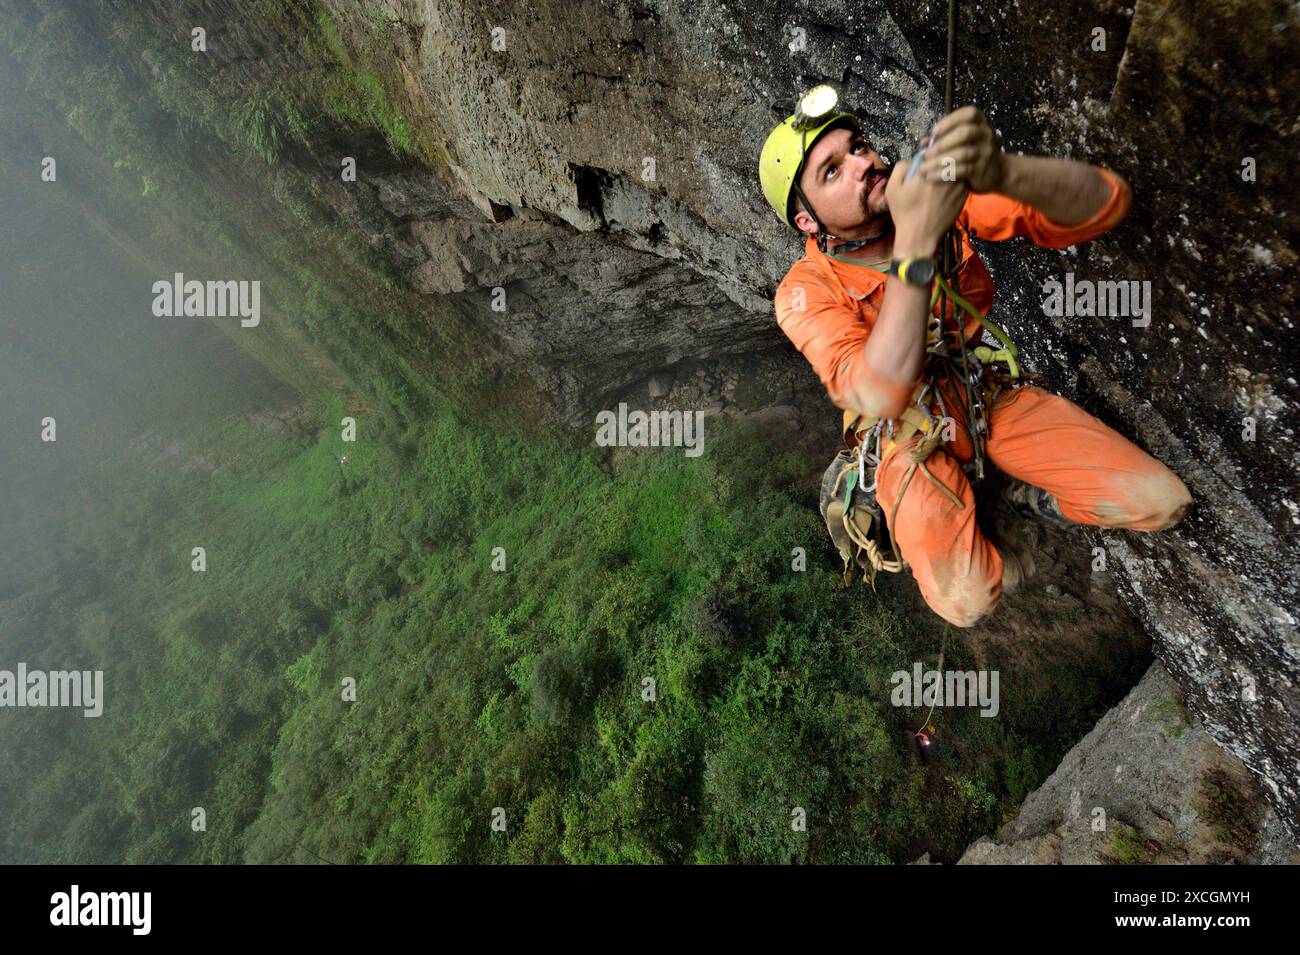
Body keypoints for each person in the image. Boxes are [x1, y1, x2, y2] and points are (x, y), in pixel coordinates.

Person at [758, 90, 1191, 627]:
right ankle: (965, 508)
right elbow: (876, 390)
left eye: (859, 148)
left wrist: (1008, 172)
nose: (864, 165)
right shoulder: (805, 292)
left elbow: (1105, 203)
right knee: (968, 601)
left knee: (1160, 499)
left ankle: (1025, 498)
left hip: (982, 393)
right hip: (906, 435)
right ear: (808, 223)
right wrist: (917, 240)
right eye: (832, 172)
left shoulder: (928, 195)